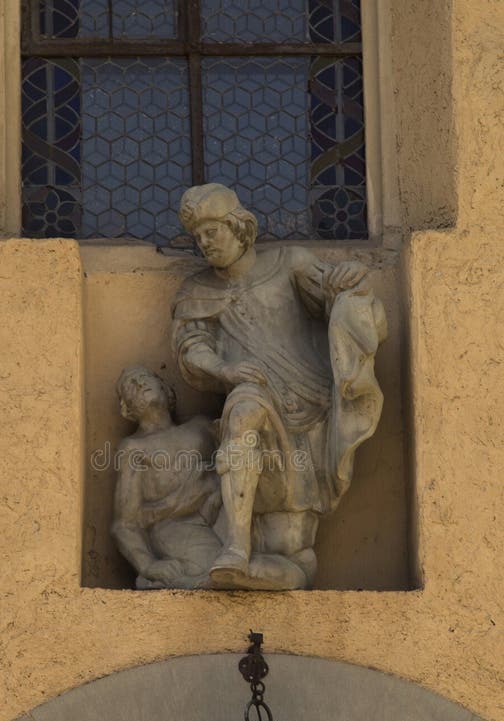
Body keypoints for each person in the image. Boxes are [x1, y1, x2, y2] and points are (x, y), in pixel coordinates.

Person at [172, 183, 387, 589]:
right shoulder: (197, 292)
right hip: (254, 396)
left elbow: (336, 298)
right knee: (242, 408)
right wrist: (225, 370)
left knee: (291, 546)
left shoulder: (290, 264)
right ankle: (234, 547)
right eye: (197, 237)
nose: (204, 243)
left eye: (212, 231)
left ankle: (265, 566)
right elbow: (190, 348)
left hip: (311, 413)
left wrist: (351, 283)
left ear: (239, 227)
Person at [111, 365, 222, 589]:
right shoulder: (134, 449)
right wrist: (148, 565)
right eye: (131, 386)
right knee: (217, 571)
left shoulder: (201, 427)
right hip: (178, 529)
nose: (140, 384)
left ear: (165, 388)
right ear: (127, 409)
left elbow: (237, 458)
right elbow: (125, 524)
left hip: (223, 515)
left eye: (144, 377)